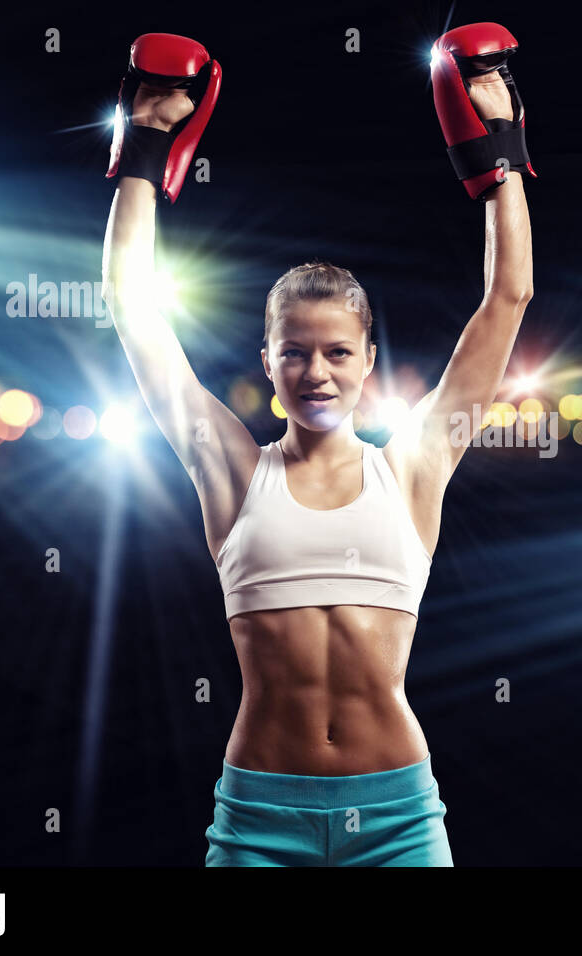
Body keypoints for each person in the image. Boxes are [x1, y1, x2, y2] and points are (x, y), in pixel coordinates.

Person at [98, 26, 535, 865]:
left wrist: (502, 156)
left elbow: (507, 297)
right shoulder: (230, 471)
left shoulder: (412, 469)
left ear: (369, 363)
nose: (316, 372)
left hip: (400, 820)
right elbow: (131, 305)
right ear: (268, 363)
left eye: (338, 352)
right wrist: (147, 146)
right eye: (294, 352)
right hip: (259, 820)